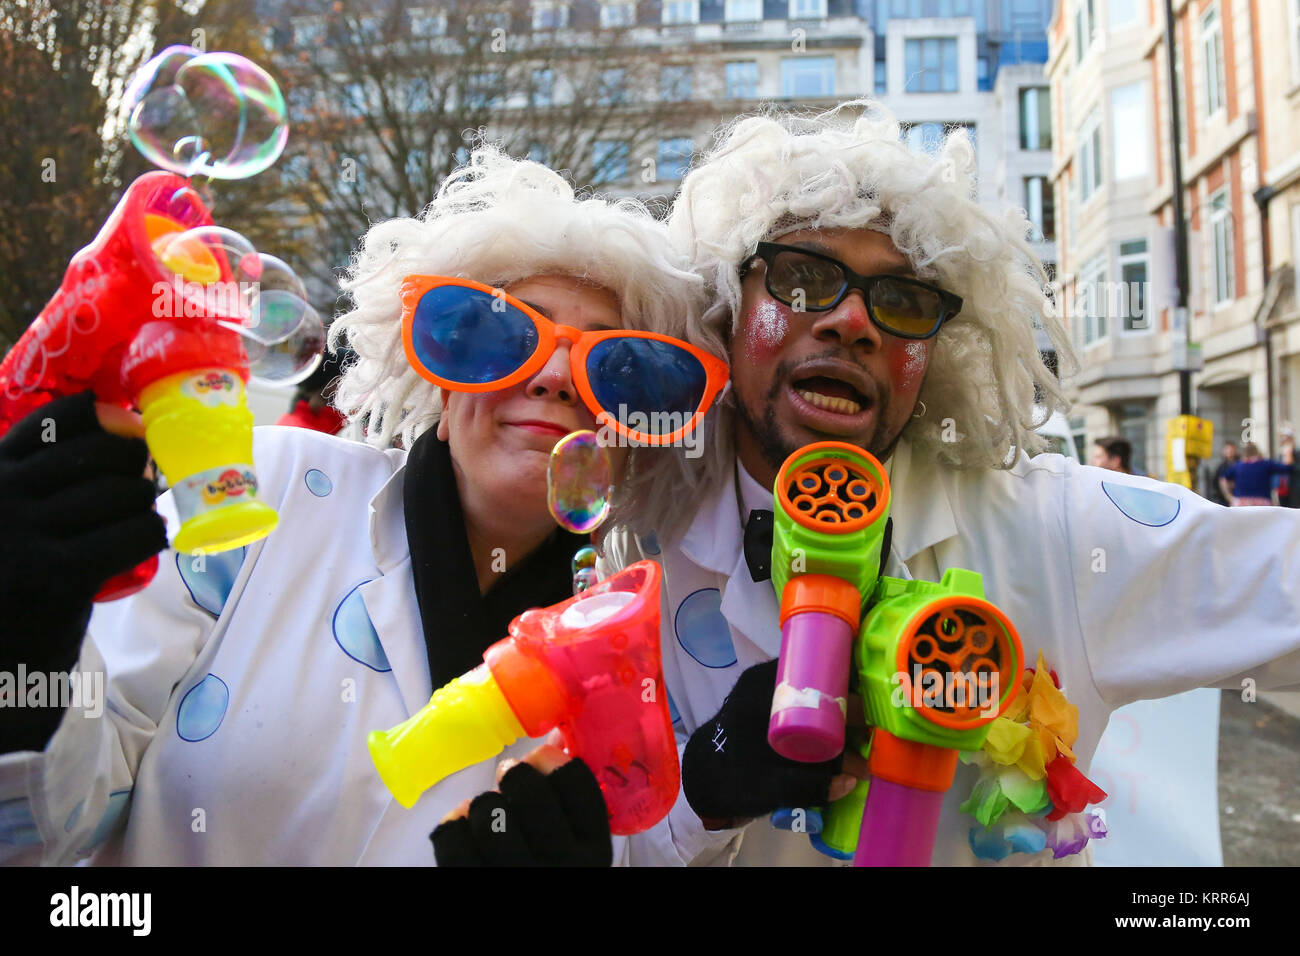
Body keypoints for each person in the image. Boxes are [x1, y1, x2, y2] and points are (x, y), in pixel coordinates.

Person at [600, 100, 1300, 866]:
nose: (853, 322)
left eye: (901, 300)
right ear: (725, 306)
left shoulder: (1054, 528)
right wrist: (703, 793)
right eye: (803, 280)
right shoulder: (630, 552)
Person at [0, 145, 726, 865]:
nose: (557, 377)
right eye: (503, 336)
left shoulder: (634, 658)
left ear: (640, 436)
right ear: (441, 390)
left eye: (618, 366)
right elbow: (45, 831)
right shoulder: (266, 491)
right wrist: (28, 644)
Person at [1220, 441, 1294, 507]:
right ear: (1257, 451)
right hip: (1262, 503)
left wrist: (1229, 497)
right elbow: (1287, 468)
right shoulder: (1265, 464)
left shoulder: (1237, 466)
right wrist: (1288, 452)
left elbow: (1223, 479)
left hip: (1240, 503)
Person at [1207, 441, 1238, 505]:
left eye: (1231, 450)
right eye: (1227, 450)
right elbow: (1216, 483)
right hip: (1223, 499)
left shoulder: (1239, 464)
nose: (1230, 452)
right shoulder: (1221, 467)